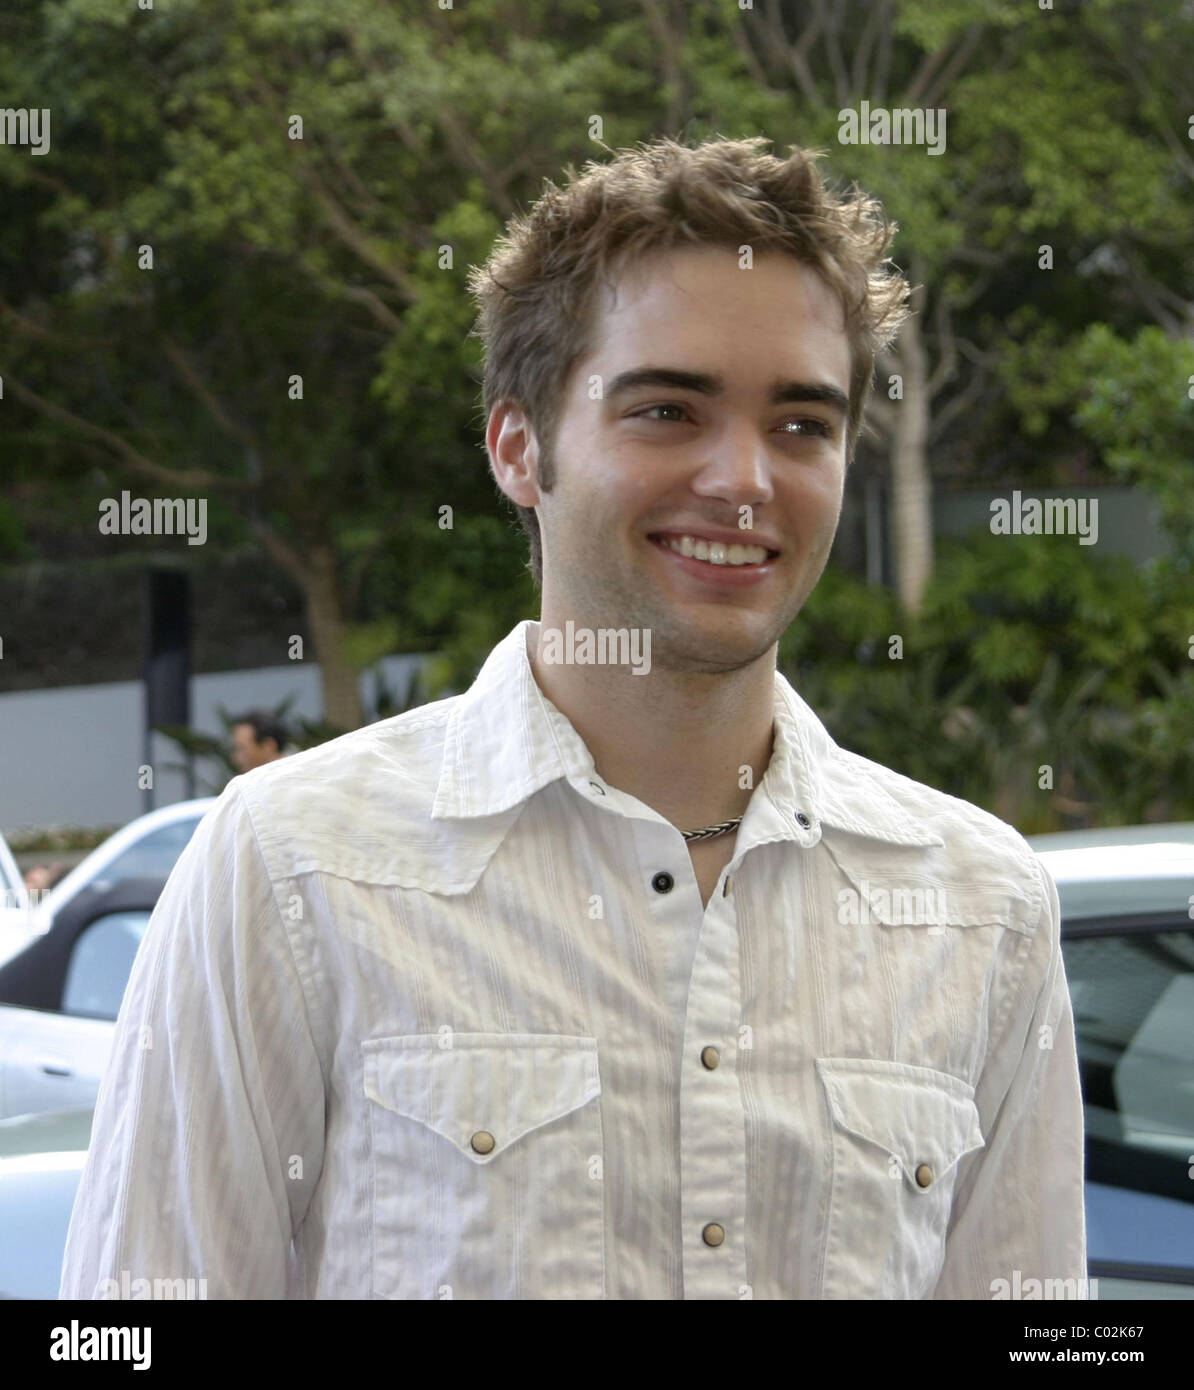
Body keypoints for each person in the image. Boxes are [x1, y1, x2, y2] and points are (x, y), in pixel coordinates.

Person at [59, 135, 1086, 1300]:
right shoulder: (297, 871)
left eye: (803, 423)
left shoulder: (981, 910)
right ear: (517, 448)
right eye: (666, 410)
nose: (745, 477)